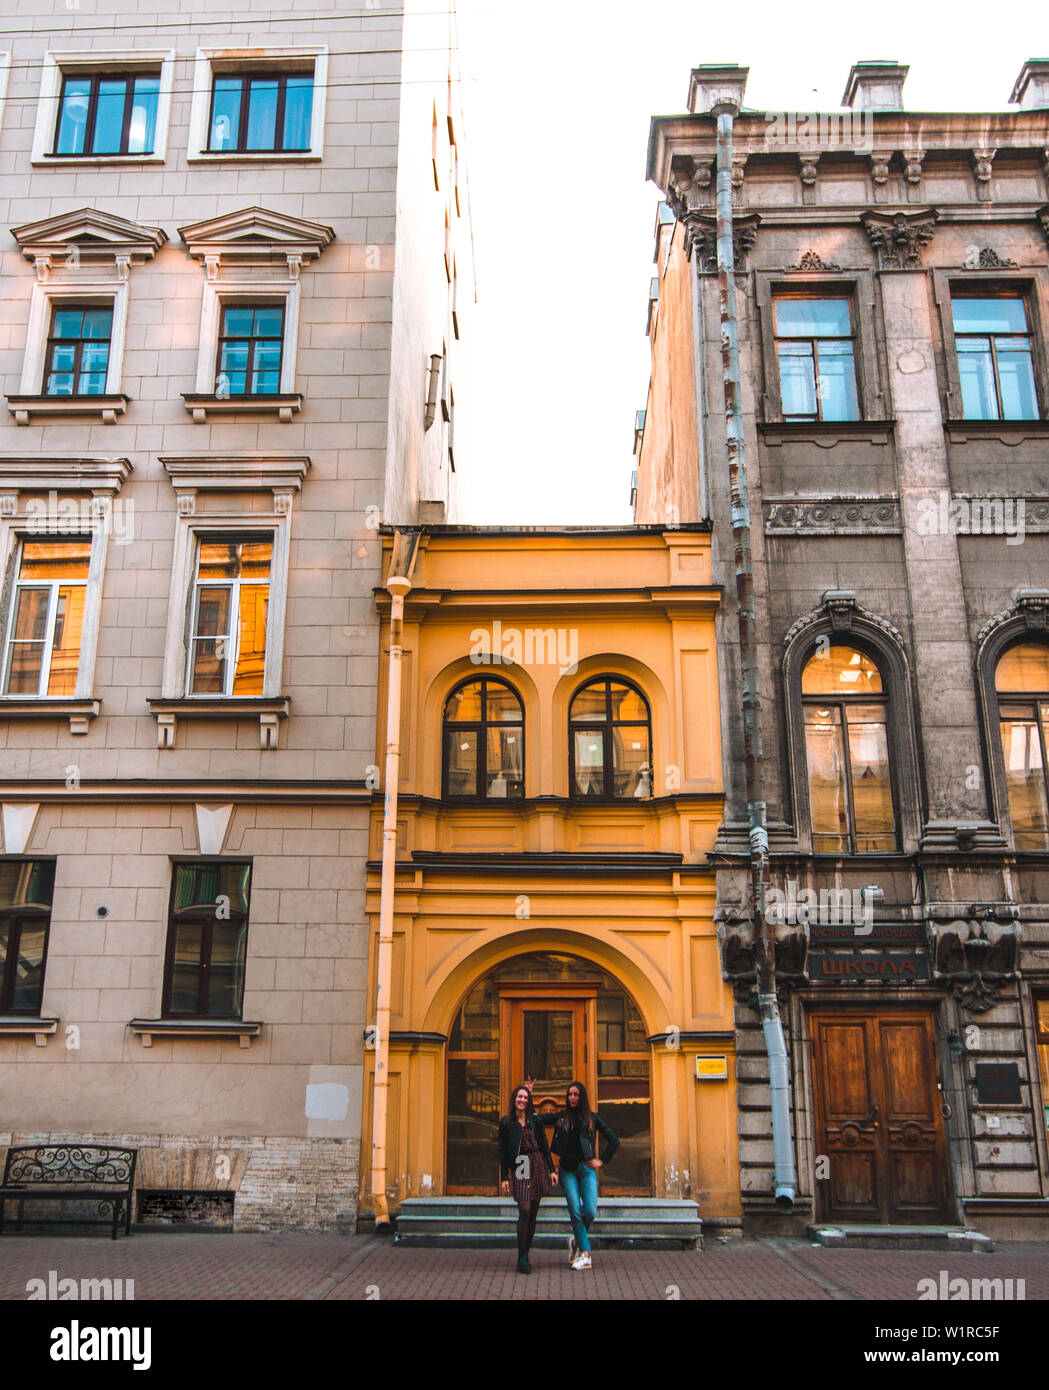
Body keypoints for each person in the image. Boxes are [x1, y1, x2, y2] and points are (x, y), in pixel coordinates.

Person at [550, 1080, 618, 1270]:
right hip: (567, 1171)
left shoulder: (592, 1119)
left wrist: (601, 1160)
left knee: (589, 1211)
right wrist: (528, 1095)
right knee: (575, 1210)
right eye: (570, 1094)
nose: (572, 1098)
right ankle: (585, 1254)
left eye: (576, 1094)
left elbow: (614, 1140)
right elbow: (538, 1119)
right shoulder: (562, 1117)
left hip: (587, 1170)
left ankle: (575, 1242)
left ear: (582, 1097)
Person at [498, 1082, 557, 1273]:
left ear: (529, 1100)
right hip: (521, 1163)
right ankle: (521, 1256)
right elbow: (502, 1151)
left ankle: (526, 1253)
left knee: (533, 1212)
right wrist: (504, 1177)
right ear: (514, 1100)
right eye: (519, 1097)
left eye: (525, 1097)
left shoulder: (535, 1120)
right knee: (525, 1209)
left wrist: (551, 1170)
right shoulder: (506, 1123)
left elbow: (544, 1145)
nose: (522, 1100)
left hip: (537, 1161)